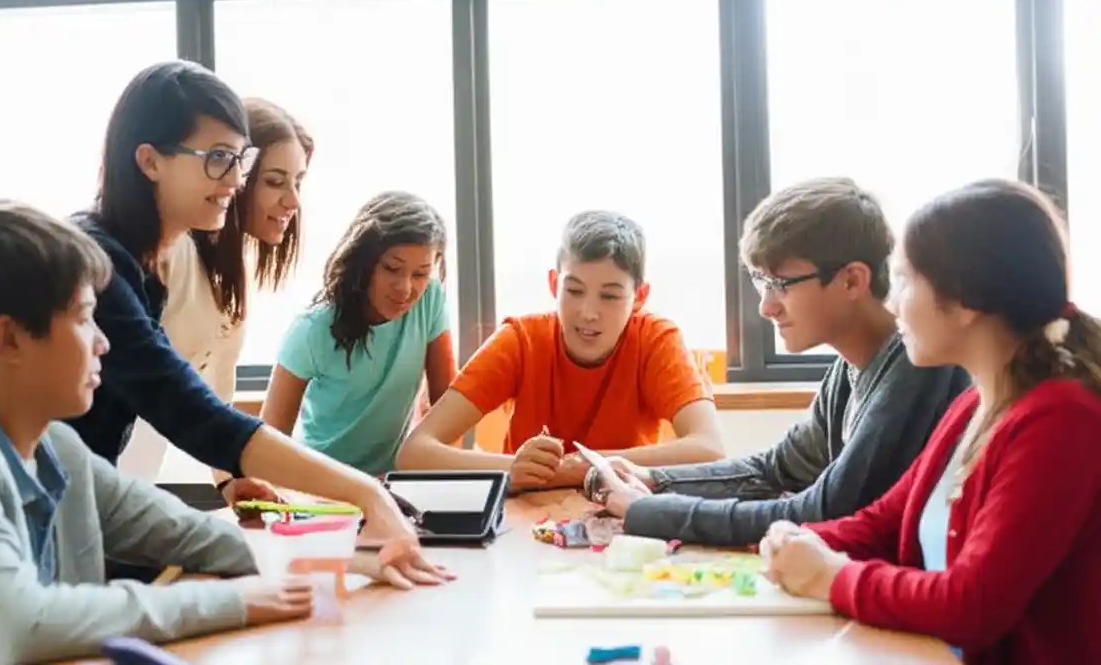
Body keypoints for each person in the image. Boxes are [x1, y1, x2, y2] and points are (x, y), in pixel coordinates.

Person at [0, 61, 438, 579]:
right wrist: (364, 493)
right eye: (219, 160)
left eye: (239, 161)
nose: (235, 182)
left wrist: (327, 544)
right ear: (150, 161)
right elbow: (189, 410)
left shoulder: (141, 266)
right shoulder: (96, 263)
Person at [0, 199, 441, 665]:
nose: (104, 341)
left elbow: (185, 535)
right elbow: (18, 625)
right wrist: (234, 601)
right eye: (84, 320)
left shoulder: (56, 449)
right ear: (7, 342)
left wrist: (355, 560)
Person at [762, 180, 1101, 664]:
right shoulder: (974, 405)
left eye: (903, 281)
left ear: (964, 302)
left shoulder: (1062, 420)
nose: (892, 303)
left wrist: (829, 576)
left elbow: (973, 603)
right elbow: (884, 522)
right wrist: (801, 538)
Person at [596, 178, 968, 546]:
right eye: (762, 283)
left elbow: (824, 511)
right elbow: (776, 470)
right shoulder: (849, 368)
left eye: (782, 284)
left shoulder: (914, 365)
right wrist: (653, 479)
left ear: (853, 281)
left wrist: (650, 510)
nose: (766, 306)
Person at [396, 210, 725, 491]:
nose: (588, 312)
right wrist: (512, 468)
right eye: (574, 291)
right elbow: (414, 453)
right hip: (524, 521)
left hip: (619, 509)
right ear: (554, 285)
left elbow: (710, 448)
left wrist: (582, 464)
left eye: (609, 296)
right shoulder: (520, 340)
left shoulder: (657, 339)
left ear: (639, 297)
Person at [153, 97, 310, 501]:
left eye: (298, 182)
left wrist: (229, 479)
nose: (293, 201)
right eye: (275, 181)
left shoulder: (232, 266)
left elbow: (216, 391)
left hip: (126, 477)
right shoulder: (175, 252)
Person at [261, 191, 454, 476]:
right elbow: (271, 440)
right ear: (364, 263)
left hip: (395, 481)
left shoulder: (430, 299)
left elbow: (446, 406)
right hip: (324, 484)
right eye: (392, 268)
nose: (405, 288)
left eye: (421, 273)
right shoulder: (312, 329)